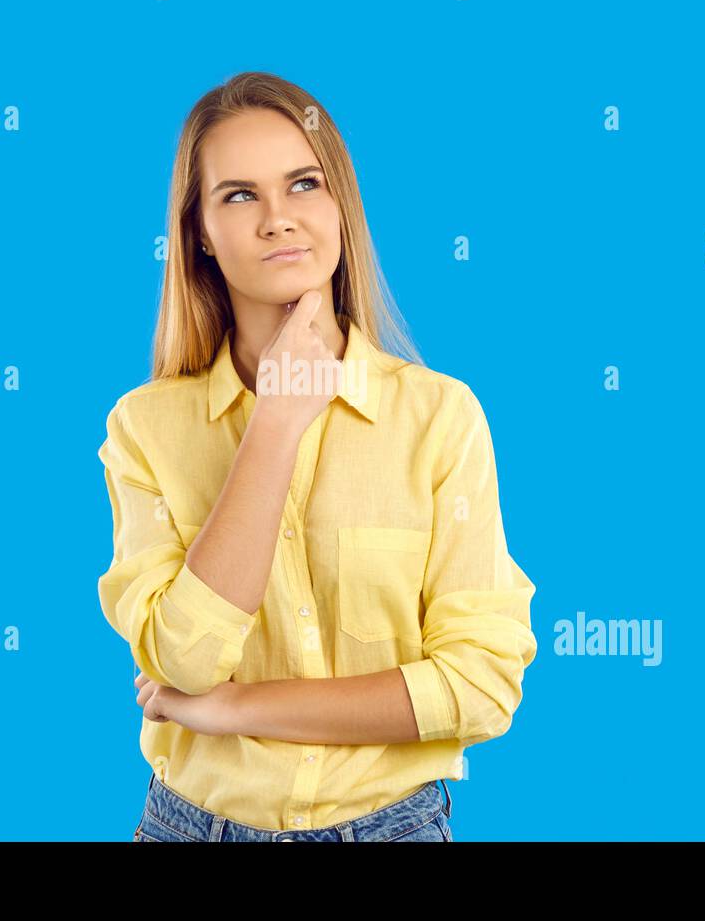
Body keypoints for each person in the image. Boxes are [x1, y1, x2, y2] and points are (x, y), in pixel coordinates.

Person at [97, 72, 537, 842]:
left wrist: (237, 711)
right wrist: (275, 424)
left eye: (304, 184)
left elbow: (479, 686)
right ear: (197, 229)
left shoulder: (440, 418)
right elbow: (185, 660)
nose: (278, 220)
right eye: (238, 195)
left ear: (340, 205)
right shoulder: (145, 430)